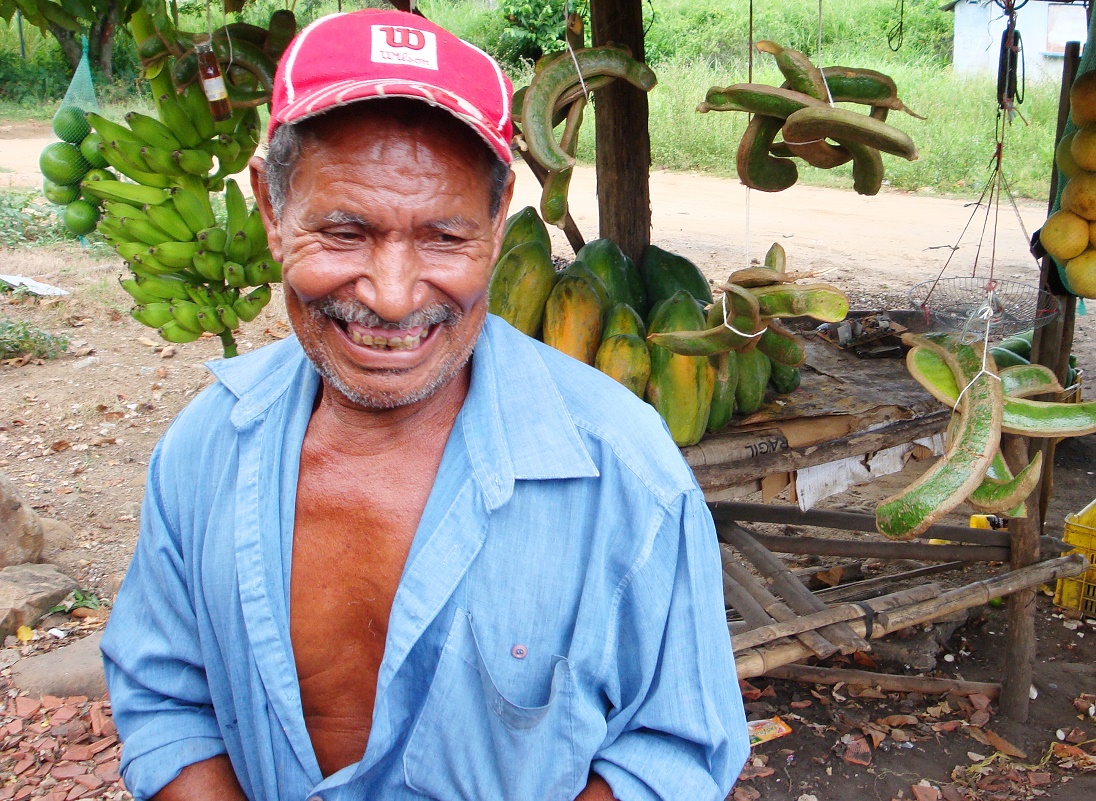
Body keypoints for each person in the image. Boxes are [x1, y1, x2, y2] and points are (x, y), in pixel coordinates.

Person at [100, 9, 749, 800]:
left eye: (444, 236)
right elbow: (169, 701)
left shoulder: (627, 473)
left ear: (498, 214)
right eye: (343, 230)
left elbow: (674, 749)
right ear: (272, 212)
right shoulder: (205, 449)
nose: (394, 295)